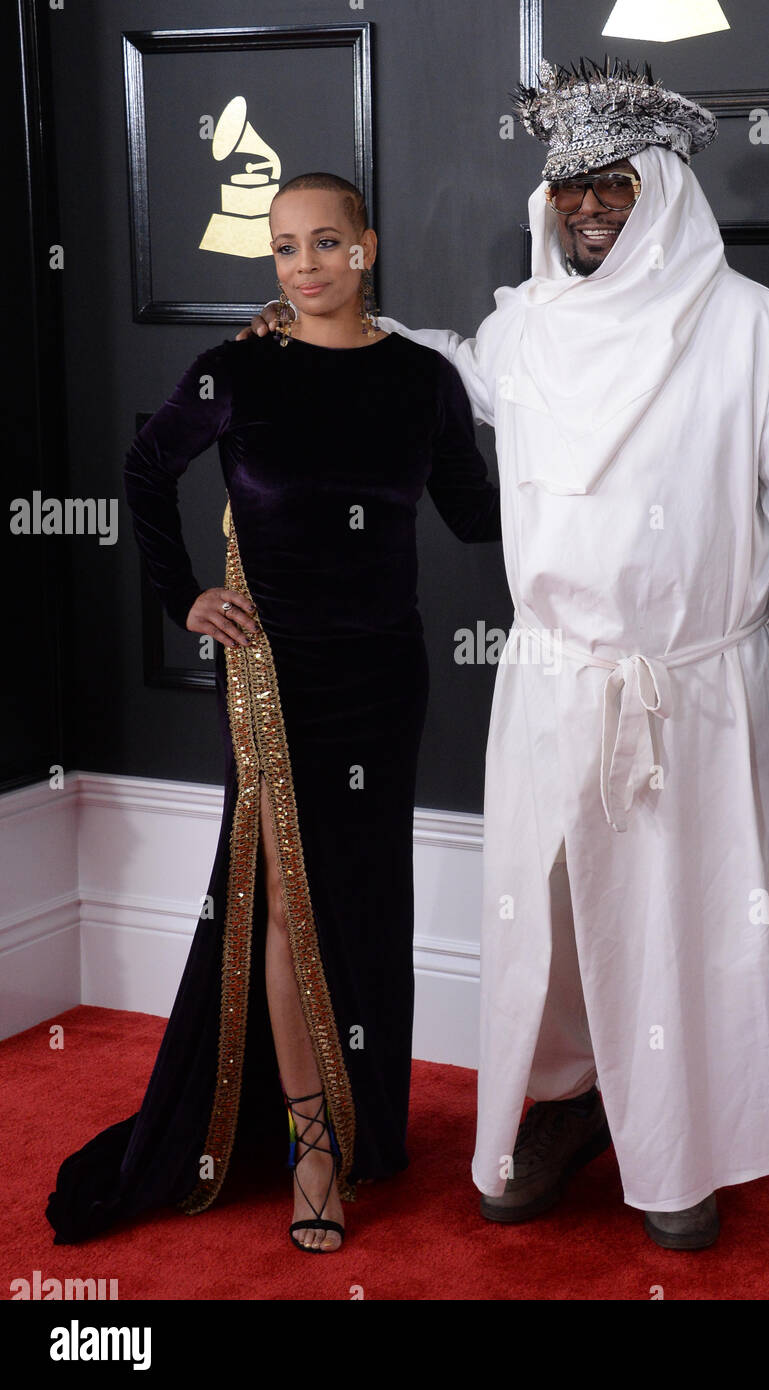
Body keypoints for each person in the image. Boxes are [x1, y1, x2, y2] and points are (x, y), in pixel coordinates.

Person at [247, 57, 769, 1251]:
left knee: (685, 922)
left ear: (665, 192)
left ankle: (682, 1142)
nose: (588, 209)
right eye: (570, 189)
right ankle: (566, 1107)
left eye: (614, 188)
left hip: (693, 689)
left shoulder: (757, 336)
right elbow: (432, 371)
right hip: (548, 683)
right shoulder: (521, 328)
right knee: (552, 923)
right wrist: (321, 321)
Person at [46, 172, 501, 1253]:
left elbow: (480, 519)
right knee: (283, 900)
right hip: (271, 674)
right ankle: (311, 1147)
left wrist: (572, 424)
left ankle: (363, 1120)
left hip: (384, 678)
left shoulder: (423, 380)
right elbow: (144, 471)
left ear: (366, 248)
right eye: (286, 247)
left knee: (363, 897)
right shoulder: (237, 371)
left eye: (326, 243)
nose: (305, 265)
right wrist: (185, 597)